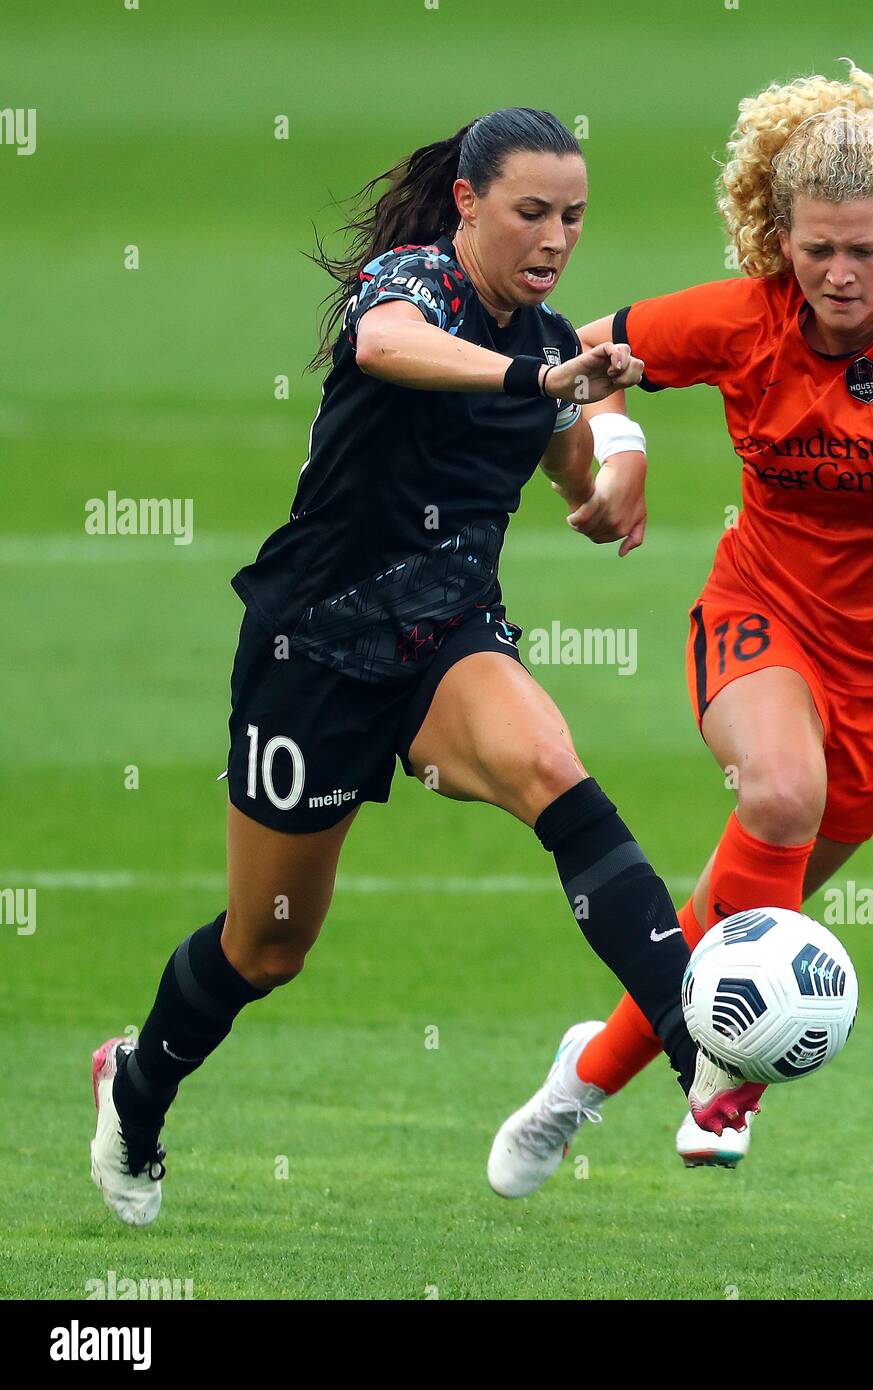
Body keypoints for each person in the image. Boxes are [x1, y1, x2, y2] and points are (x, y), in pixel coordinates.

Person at [88, 107, 755, 1226]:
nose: (553, 238)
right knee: (268, 944)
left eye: (573, 218)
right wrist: (536, 387)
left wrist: (609, 475)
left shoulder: (541, 350)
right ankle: (136, 1081)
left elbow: (573, 461)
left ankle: (697, 1049)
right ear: (467, 202)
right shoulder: (412, 288)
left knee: (550, 764)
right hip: (315, 648)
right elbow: (386, 350)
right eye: (529, 212)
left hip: (445, 641)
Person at [491, 65, 873, 1191]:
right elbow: (587, 355)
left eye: (864, 247)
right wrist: (617, 457)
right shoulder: (741, 321)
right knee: (774, 793)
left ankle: (582, 1077)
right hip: (761, 611)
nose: (840, 273)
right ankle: (723, 1084)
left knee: (736, 911)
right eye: (815, 249)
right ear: (780, 241)